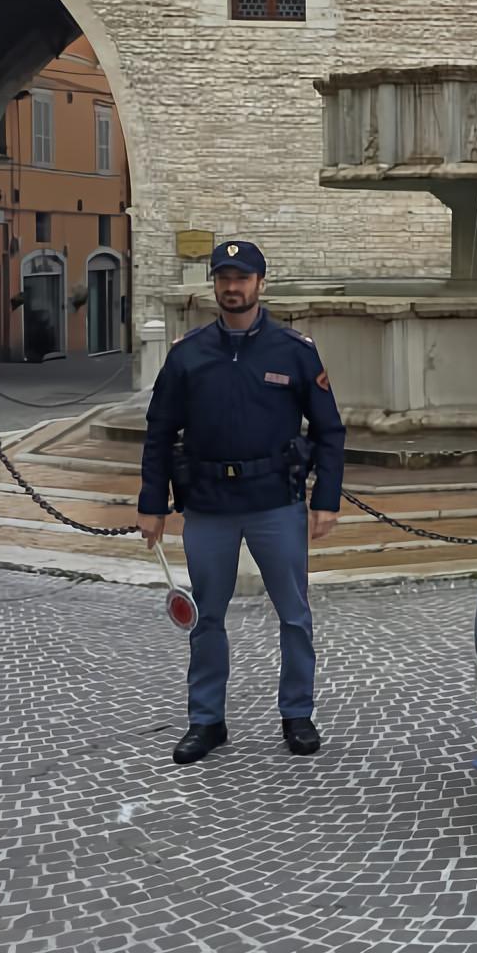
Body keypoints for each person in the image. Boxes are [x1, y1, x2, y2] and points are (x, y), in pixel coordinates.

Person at [137, 239, 346, 765]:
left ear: (260, 283)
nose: (233, 287)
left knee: (294, 615)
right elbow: (159, 431)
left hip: (274, 501)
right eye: (224, 278)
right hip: (208, 504)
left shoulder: (294, 351)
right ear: (215, 284)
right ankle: (206, 721)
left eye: (243, 277)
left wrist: (325, 498)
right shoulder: (188, 354)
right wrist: (151, 504)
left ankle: (297, 714)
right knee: (207, 617)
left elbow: (330, 429)